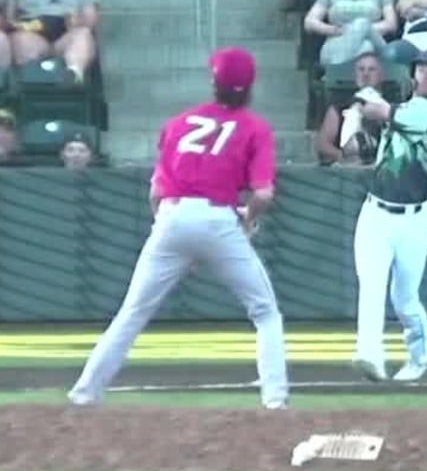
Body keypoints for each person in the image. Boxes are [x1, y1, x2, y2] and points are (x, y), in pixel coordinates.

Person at [67, 48, 289, 410]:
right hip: (219, 218)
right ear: (250, 86)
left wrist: (174, 238)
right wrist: (246, 218)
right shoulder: (255, 127)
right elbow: (263, 193)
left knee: (132, 312)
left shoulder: (180, 122)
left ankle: (84, 393)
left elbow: (156, 192)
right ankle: (276, 401)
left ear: (213, 81)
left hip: (171, 216)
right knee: (264, 311)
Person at [350, 50, 427, 382]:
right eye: (421, 70)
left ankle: (422, 351)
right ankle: (370, 355)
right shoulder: (402, 110)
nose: (425, 76)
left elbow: (389, 113)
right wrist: (361, 113)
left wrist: (371, 103)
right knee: (372, 285)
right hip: (376, 213)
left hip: (414, 219)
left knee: (404, 298)